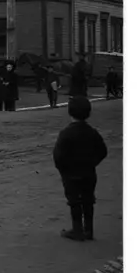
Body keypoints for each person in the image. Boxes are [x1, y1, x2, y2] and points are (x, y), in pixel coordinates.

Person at [53, 96, 108, 241]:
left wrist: (64, 169)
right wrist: (92, 163)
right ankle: (88, 230)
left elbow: (58, 156)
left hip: (71, 173)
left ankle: (77, 230)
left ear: (70, 112)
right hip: (88, 172)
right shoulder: (92, 132)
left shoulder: (66, 133)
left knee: (74, 201)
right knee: (88, 200)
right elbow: (103, 151)